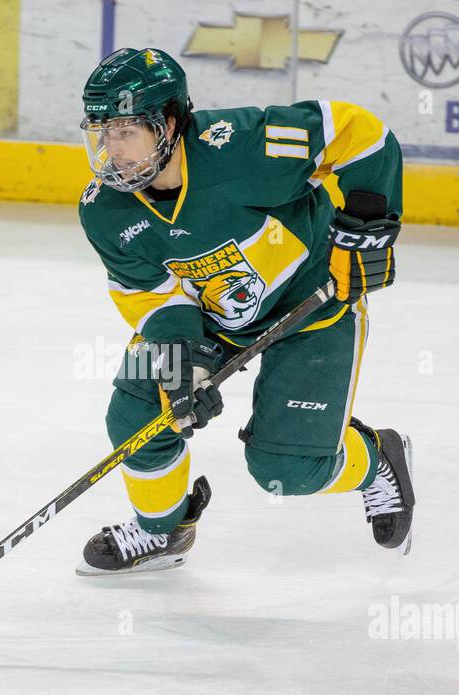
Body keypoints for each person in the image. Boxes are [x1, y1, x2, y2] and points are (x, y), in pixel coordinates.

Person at [74, 47, 414, 576]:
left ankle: (378, 459)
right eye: (103, 133)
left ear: (168, 123)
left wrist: (365, 230)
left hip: (311, 307)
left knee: (288, 470)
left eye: (125, 132)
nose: (111, 150)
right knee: (140, 407)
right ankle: (162, 530)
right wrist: (185, 358)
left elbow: (362, 134)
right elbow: (148, 294)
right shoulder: (105, 211)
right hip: (211, 316)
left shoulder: (244, 146)